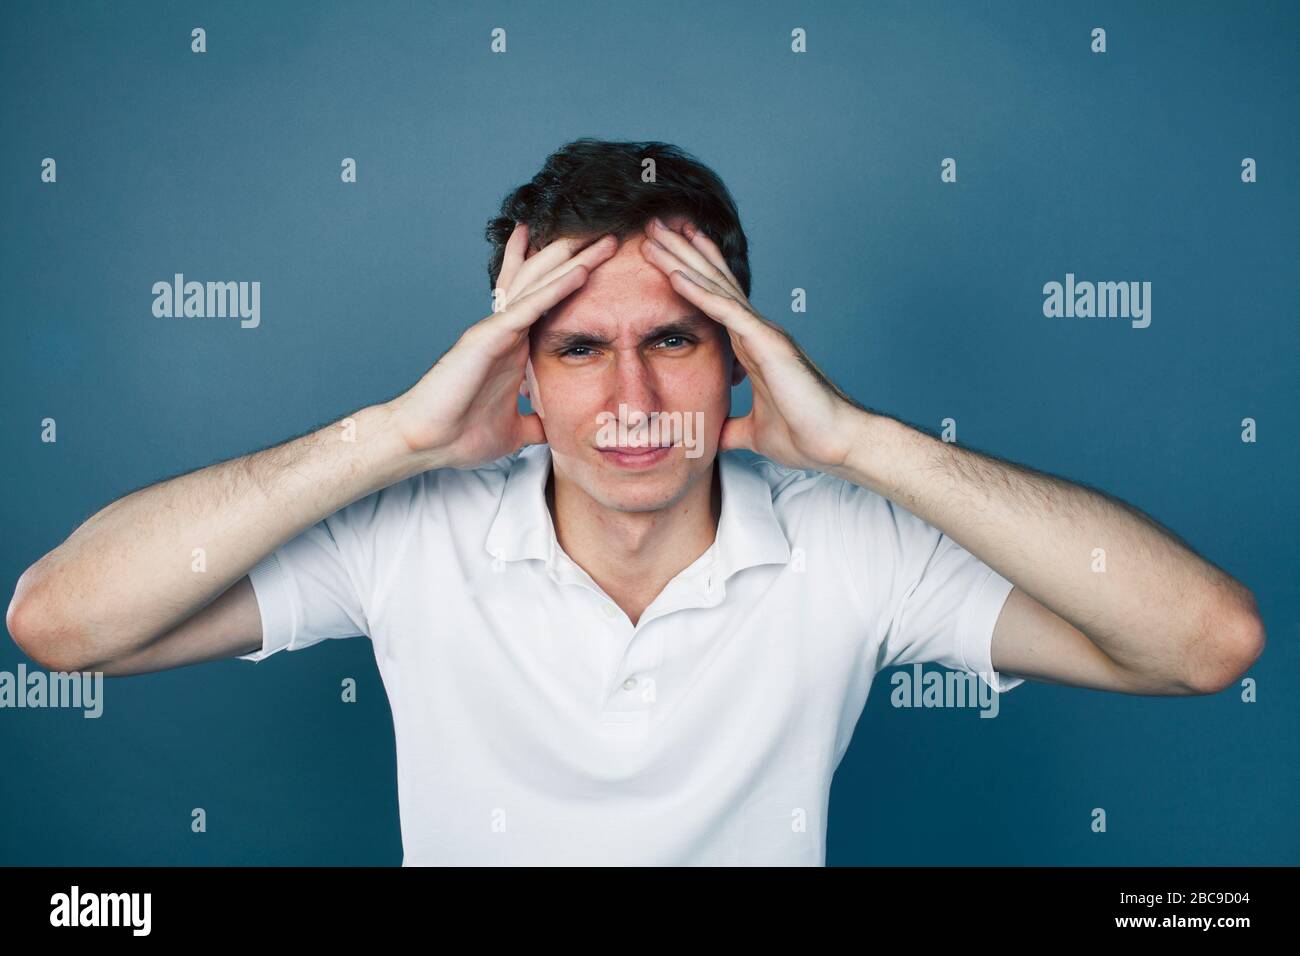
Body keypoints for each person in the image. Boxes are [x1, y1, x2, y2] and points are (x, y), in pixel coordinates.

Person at [6, 139, 1265, 865]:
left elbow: (1205, 643)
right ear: (519, 379)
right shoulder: (408, 537)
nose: (628, 395)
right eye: (573, 349)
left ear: (738, 359)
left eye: (673, 338)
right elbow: (64, 623)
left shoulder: (853, 544)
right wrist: (392, 437)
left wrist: (869, 445)